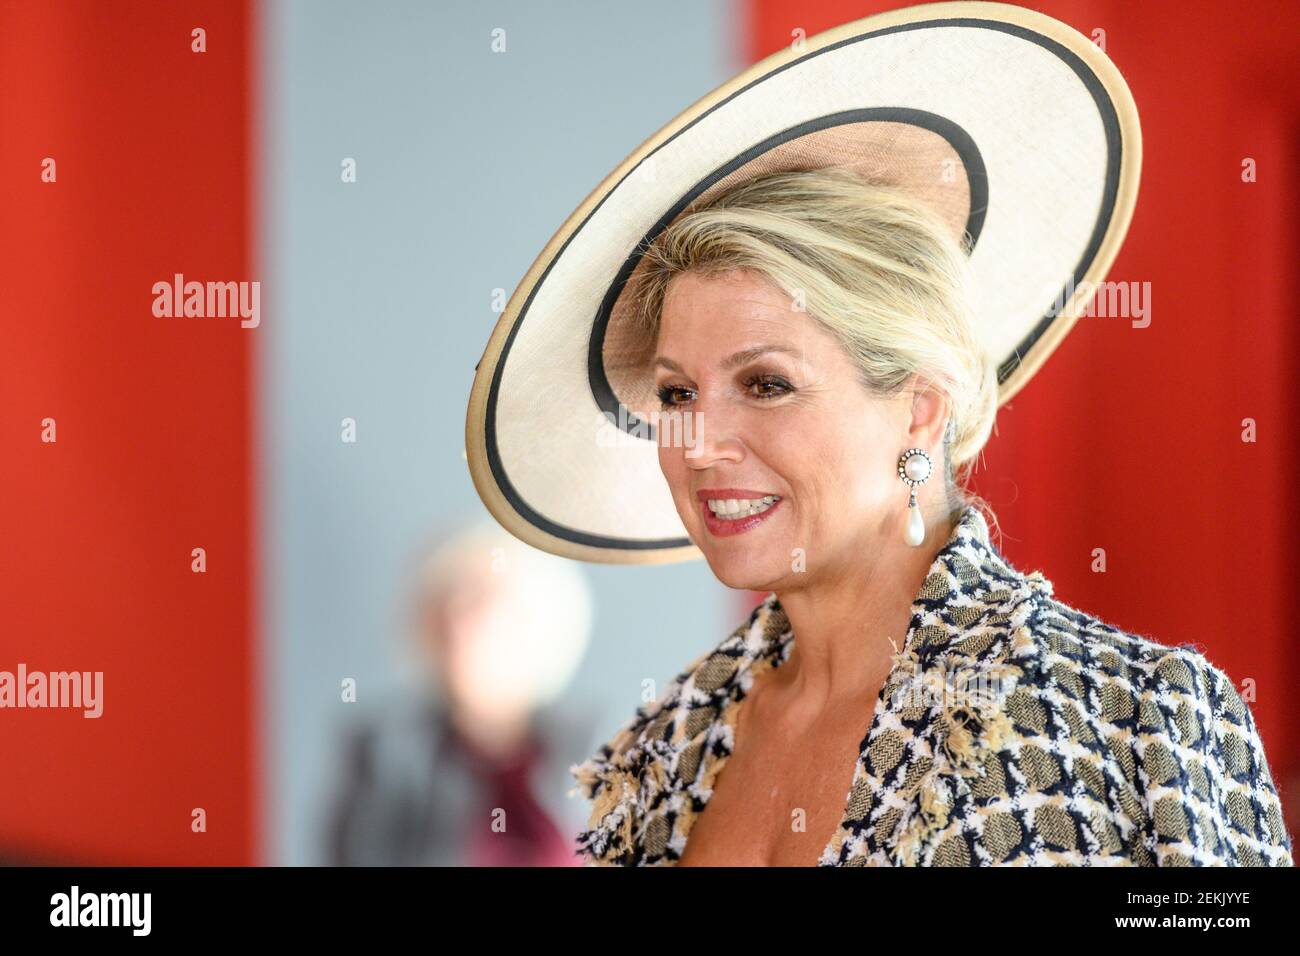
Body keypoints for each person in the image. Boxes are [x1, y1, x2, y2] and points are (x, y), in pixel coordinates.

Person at [465, 5, 1293, 865]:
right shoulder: (666, 746)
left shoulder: (1139, 722)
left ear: (921, 409)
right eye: (677, 392)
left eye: (766, 383)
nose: (700, 444)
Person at [325, 521, 594, 866]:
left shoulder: (593, 745)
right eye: (447, 606)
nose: (459, 623)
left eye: (480, 603)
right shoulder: (384, 750)